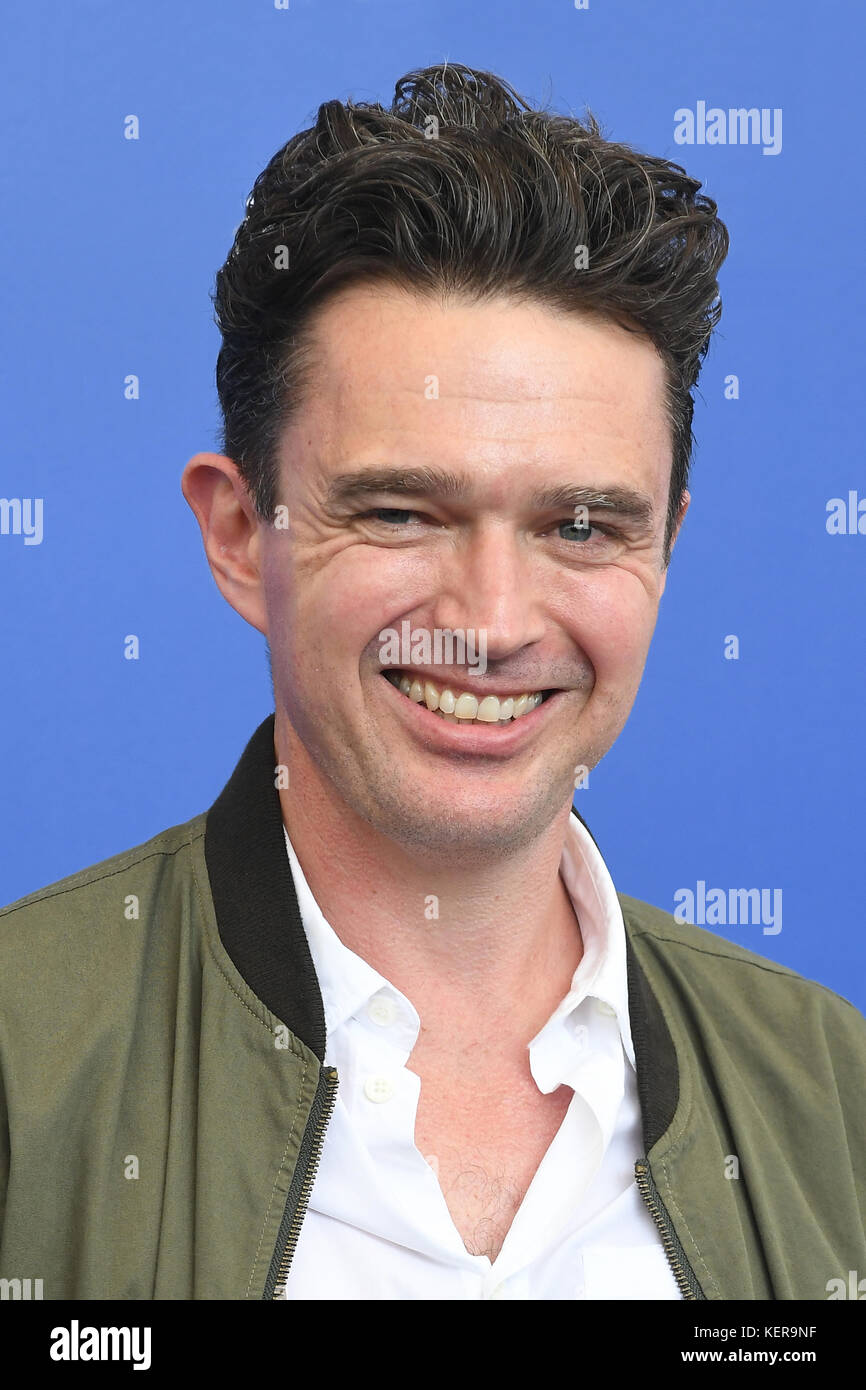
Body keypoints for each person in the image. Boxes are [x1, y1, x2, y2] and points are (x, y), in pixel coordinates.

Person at [1, 62, 863, 1302]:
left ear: (663, 548)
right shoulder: (19, 1070)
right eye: (401, 511)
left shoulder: (830, 1092)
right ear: (243, 536)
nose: (492, 624)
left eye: (578, 526)